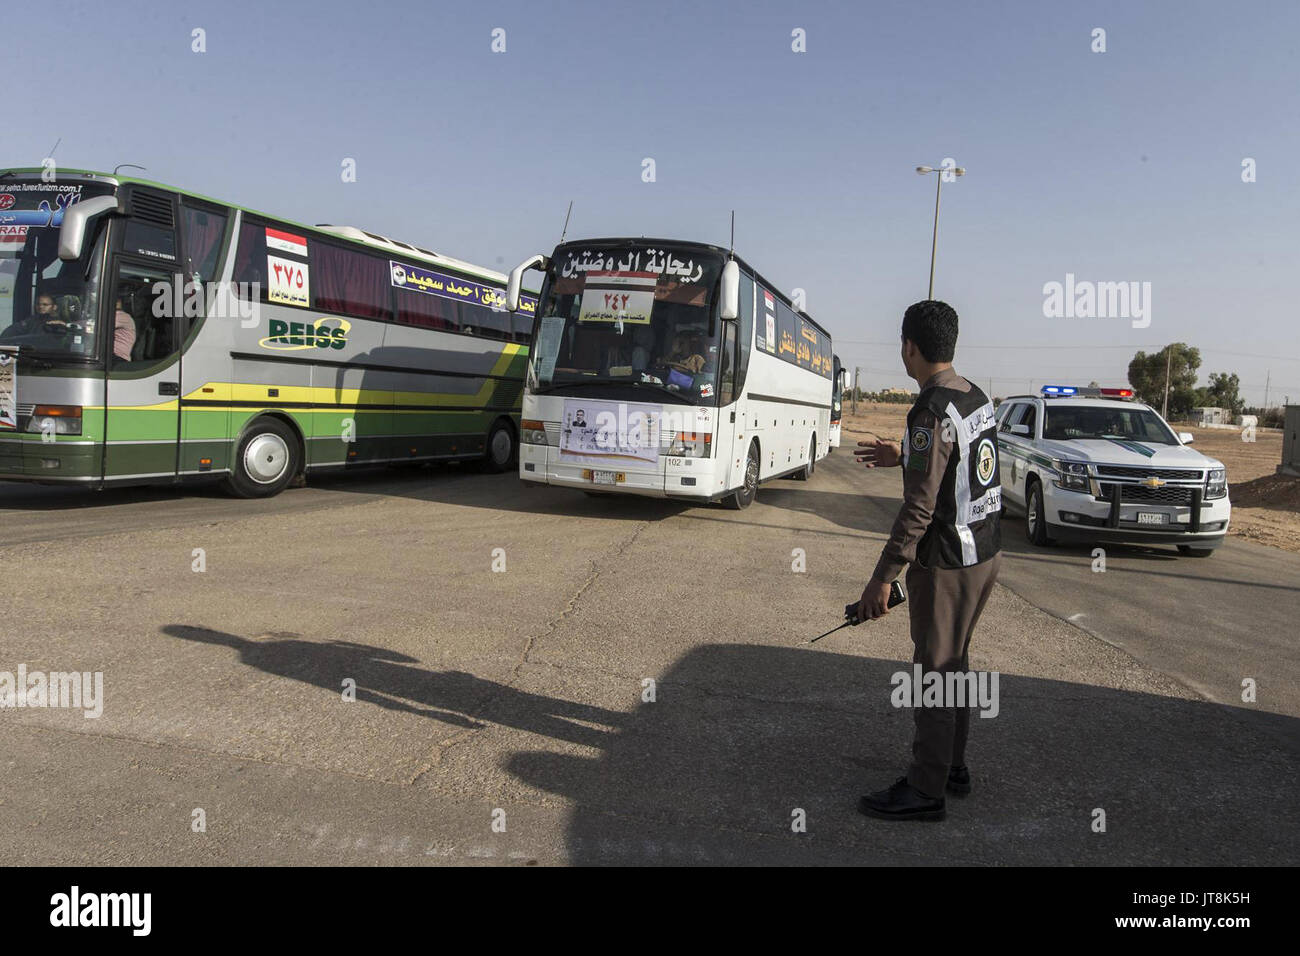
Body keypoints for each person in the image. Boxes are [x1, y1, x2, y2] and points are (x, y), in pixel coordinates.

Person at [854, 300, 1002, 822]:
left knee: (934, 673)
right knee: (954, 662)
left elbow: (918, 508)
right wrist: (905, 453)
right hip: (984, 556)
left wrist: (882, 580)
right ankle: (951, 767)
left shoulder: (931, 409)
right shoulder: (974, 395)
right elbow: (954, 461)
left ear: (909, 347)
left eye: (902, 344)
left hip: (946, 561)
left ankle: (925, 788)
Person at [112, 295, 136, 362]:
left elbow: (98, 324)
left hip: (119, 358)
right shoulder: (120, 316)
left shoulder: (122, 316)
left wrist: (80, 323)